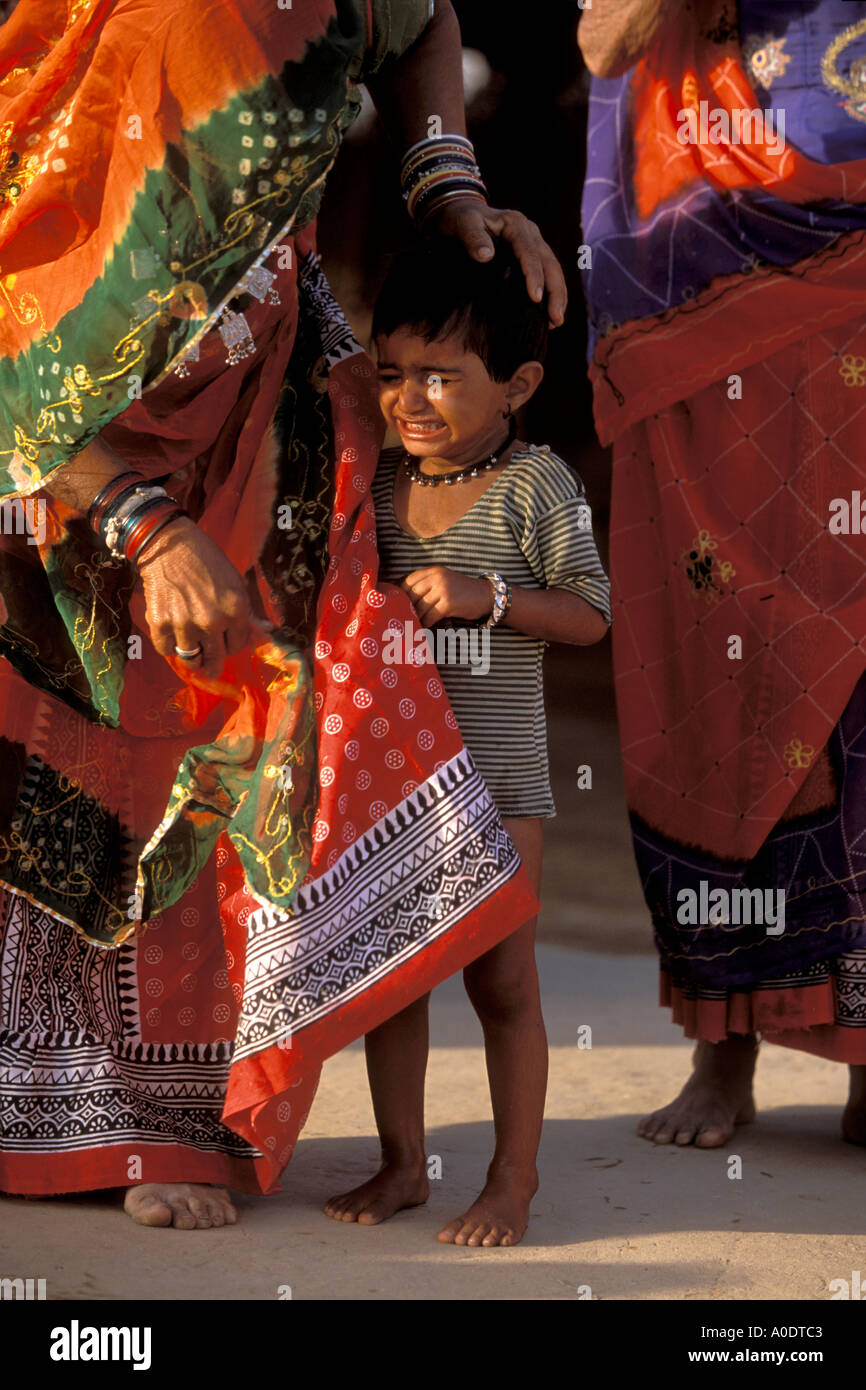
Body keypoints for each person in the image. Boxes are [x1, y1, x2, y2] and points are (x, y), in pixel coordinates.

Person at [0, 0, 568, 1230]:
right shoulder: (107, 69)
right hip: (64, 434)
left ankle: (182, 1119)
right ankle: (67, 1108)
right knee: (86, 741)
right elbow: (13, 365)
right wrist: (144, 525)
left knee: (242, 742)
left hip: (261, 402)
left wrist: (442, 181)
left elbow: (418, 23)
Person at [578, 0, 866, 1148]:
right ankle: (723, 1052)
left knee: (860, 703)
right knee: (722, 684)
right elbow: (606, 43)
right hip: (703, 340)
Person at [322, 241, 611, 1246]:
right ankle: (405, 1161)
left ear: (519, 385)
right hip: (398, 788)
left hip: (500, 784)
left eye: (442, 377)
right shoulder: (382, 483)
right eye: (394, 372)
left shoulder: (539, 485)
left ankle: (512, 1180)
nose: (411, 398)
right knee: (394, 976)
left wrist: (493, 598)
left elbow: (590, 615)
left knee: (501, 981)